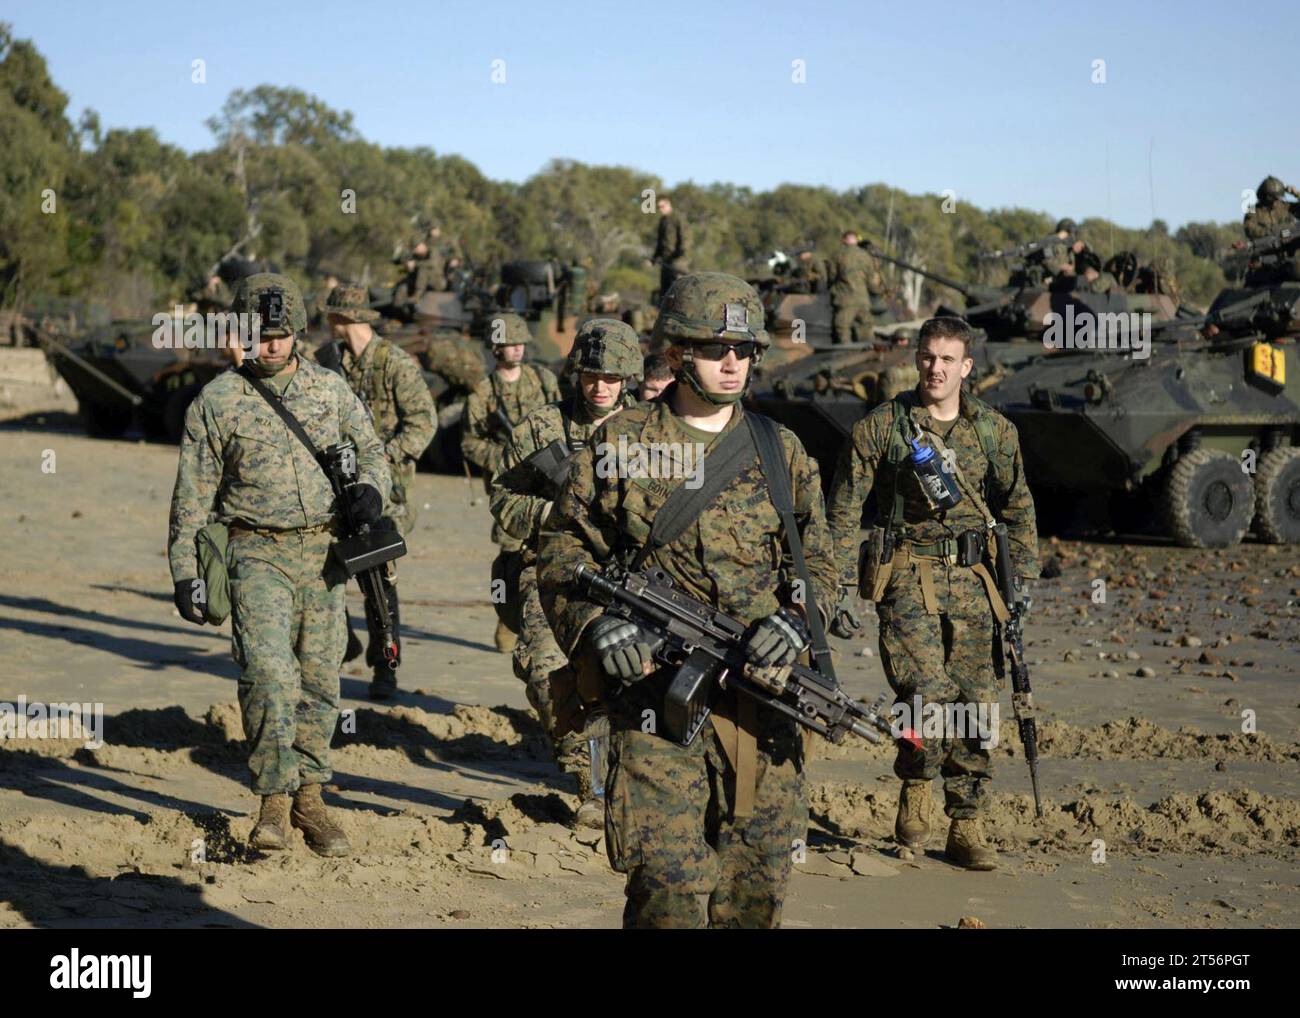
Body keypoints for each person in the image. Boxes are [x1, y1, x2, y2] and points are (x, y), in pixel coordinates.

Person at [538, 273, 838, 928]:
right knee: (666, 891)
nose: (732, 363)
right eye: (714, 348)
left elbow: (818, 562)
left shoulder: (781, 450)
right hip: (654, 706)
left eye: (744, 350)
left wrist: (797, 621)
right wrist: (594, 626)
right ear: (676, 354)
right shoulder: (620, 443)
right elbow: (562, 550)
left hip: (761, 708)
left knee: (755, 894)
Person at [168, 274, 390, 857]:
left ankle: (310, 797)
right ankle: (272, 800)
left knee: (319, 681)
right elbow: (192, 495)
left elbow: (371, 451)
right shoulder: (217, 401)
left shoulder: (330, 390)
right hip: (254, 551)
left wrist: (371, 489)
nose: (271, 345)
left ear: (299, 332)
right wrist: (185, 572)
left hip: (324, 556)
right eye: (260, 334)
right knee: (267, 673)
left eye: (281, 334)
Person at [826, 315, 1038, 871]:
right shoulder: (883, 427)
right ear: (916, 359)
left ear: (966, 367)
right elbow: (844, 508)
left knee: (976, 704)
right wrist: (837, 585)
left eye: (947, 359)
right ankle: (917, 784)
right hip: (906, 577)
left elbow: (1018, 506)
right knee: (925, 695)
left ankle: (966, 822)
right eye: (927, 357)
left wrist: (1023, 581)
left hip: (975, 581)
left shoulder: (993, 431)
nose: (935, 368)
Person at [489, 319, 643, 827]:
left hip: (632, 574)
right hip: (553, 569)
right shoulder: (542, 427)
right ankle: (588, 780)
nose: (599, 387)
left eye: (611, 378)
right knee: (545, 669)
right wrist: (557, 517)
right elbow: (503, 497)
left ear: (629, 378)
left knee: (632, 676)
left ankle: (628, 781)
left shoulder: (653, 430)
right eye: (591, 376)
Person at [314, 283, 436, 700]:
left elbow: (423, 421)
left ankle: (385, 667)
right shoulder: (328, 361)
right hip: (336, 488)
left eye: (331, 315)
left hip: (385, 492)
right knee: (324, 570)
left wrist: (382, 456)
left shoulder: (394, 362)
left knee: (379, 581)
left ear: (343, 318)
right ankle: (343, 642)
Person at [461, 313, 561, 652]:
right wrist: (506, 457)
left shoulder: (543, 380)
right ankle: (505, 619)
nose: (517, 349)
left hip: (549, 480)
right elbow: (469, 443)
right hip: (512, 489)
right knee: (509, 560)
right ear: (495, 348)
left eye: (521, 343)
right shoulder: (483, 392)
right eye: (509, 344)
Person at [826, 230, 884, 344]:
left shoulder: (837, 255)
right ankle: (867, 350)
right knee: (865, 326)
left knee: (842, 326)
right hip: (863, 299)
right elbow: (870, 280)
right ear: (856, 240)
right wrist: (878, 291)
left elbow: (831, 276)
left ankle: (845, 351)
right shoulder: (866, 256)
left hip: (845, 298)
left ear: (844, 240)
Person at [651, 196, 689, 303]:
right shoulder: (662, 221)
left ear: (668, 204)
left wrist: (680, 254)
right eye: (658, 207)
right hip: (665, 260)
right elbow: (660, 242)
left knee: (678, 289)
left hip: (677, 261)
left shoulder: (678, 218)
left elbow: (685, 238)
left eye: (662, 206)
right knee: (665, 291)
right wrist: (654, 257)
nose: (660, 209)